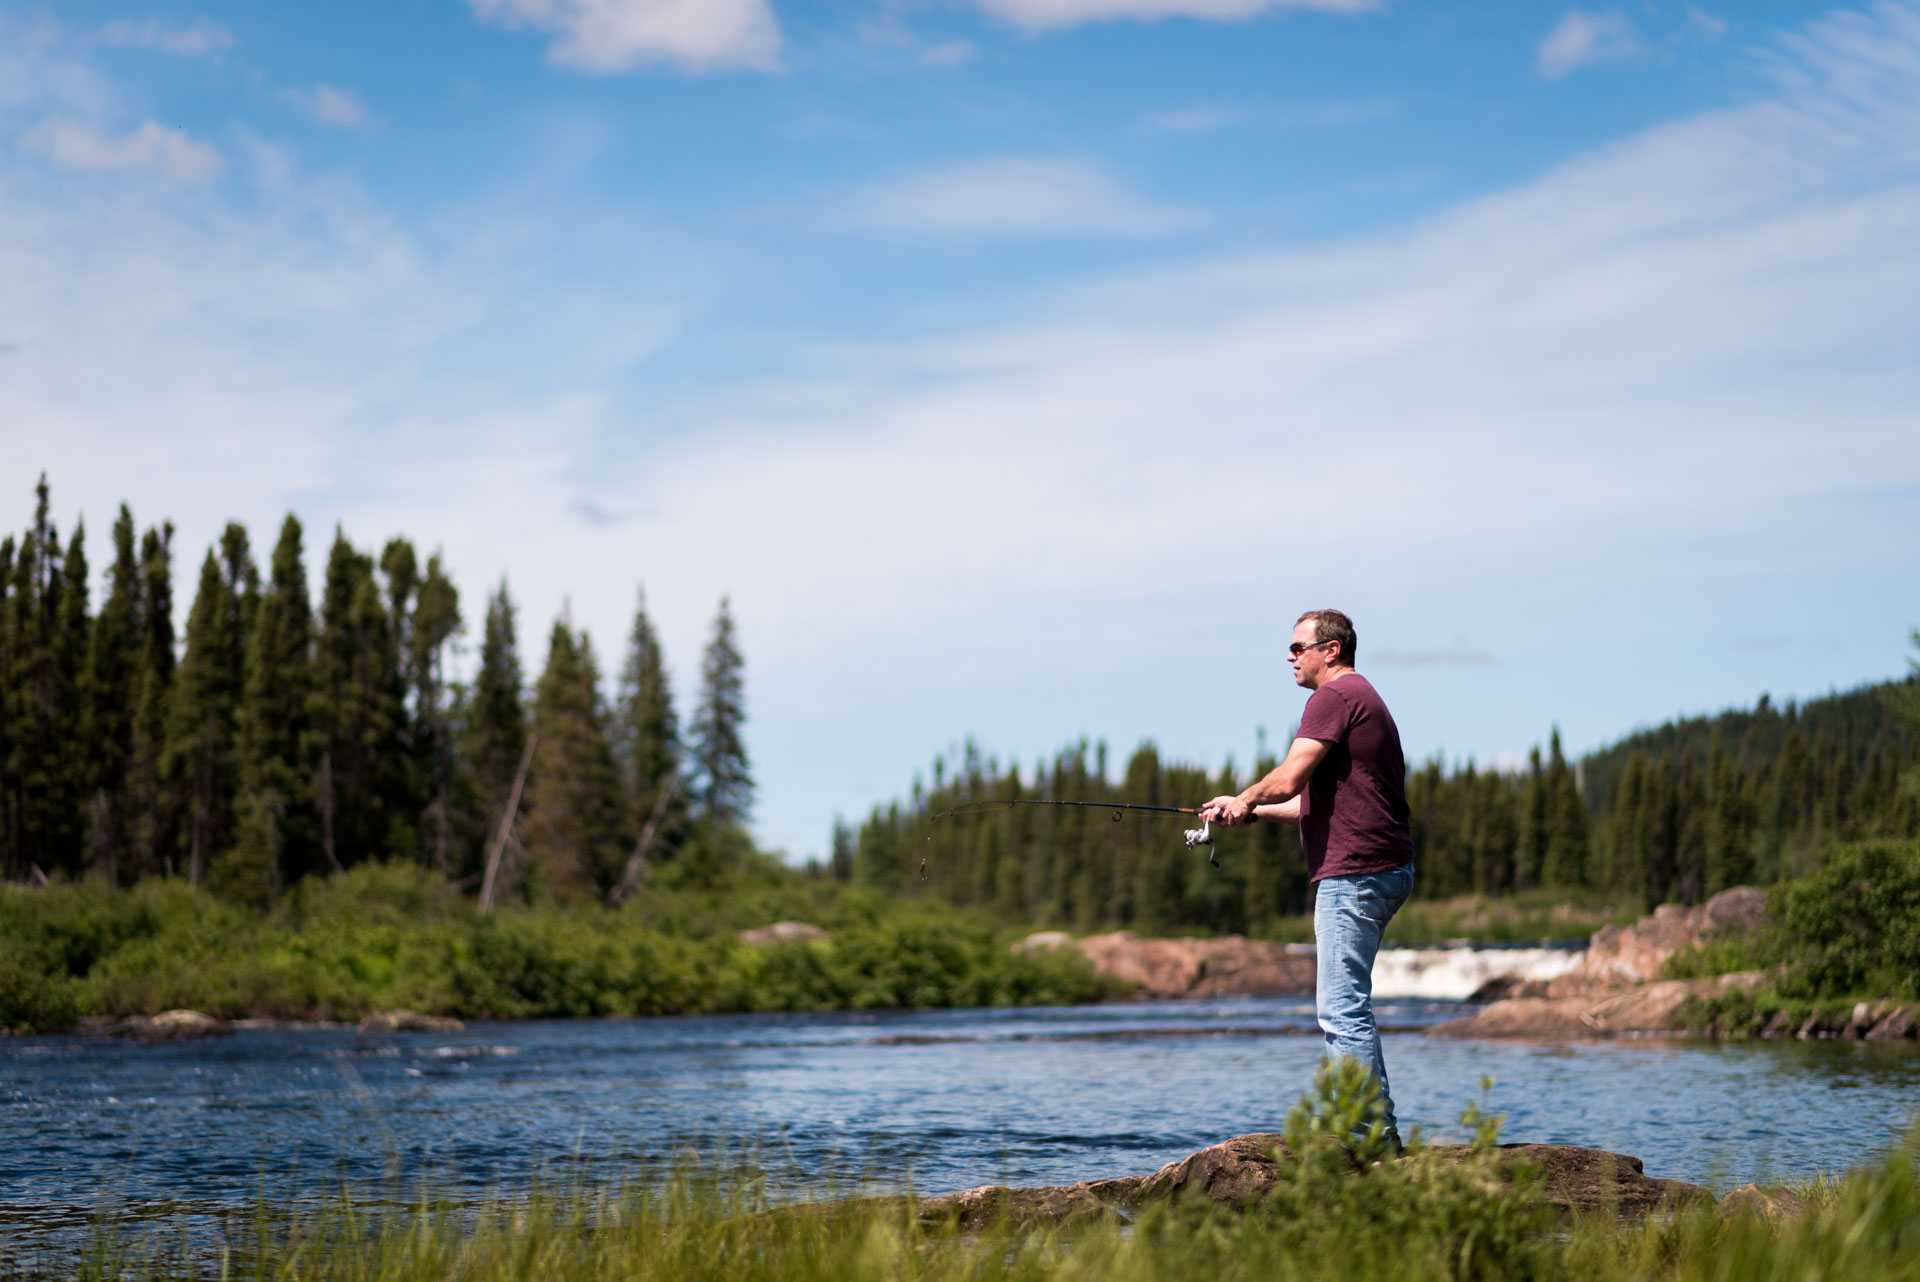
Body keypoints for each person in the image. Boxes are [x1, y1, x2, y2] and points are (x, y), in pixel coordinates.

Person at [1200, 608, 1415, 1148]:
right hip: (1383, 868)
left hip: (1354, 873)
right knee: (1349, 1006)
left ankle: (1369, 1141)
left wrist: (1248, 794)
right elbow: (1309, 802)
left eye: (1299, 647)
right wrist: (1249, 810)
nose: (1290, 657)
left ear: (1330, 650)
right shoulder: (1364, 698)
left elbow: (1291, 776)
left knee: (1341, 1009)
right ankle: (1376, 1134)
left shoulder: (1333, 697)